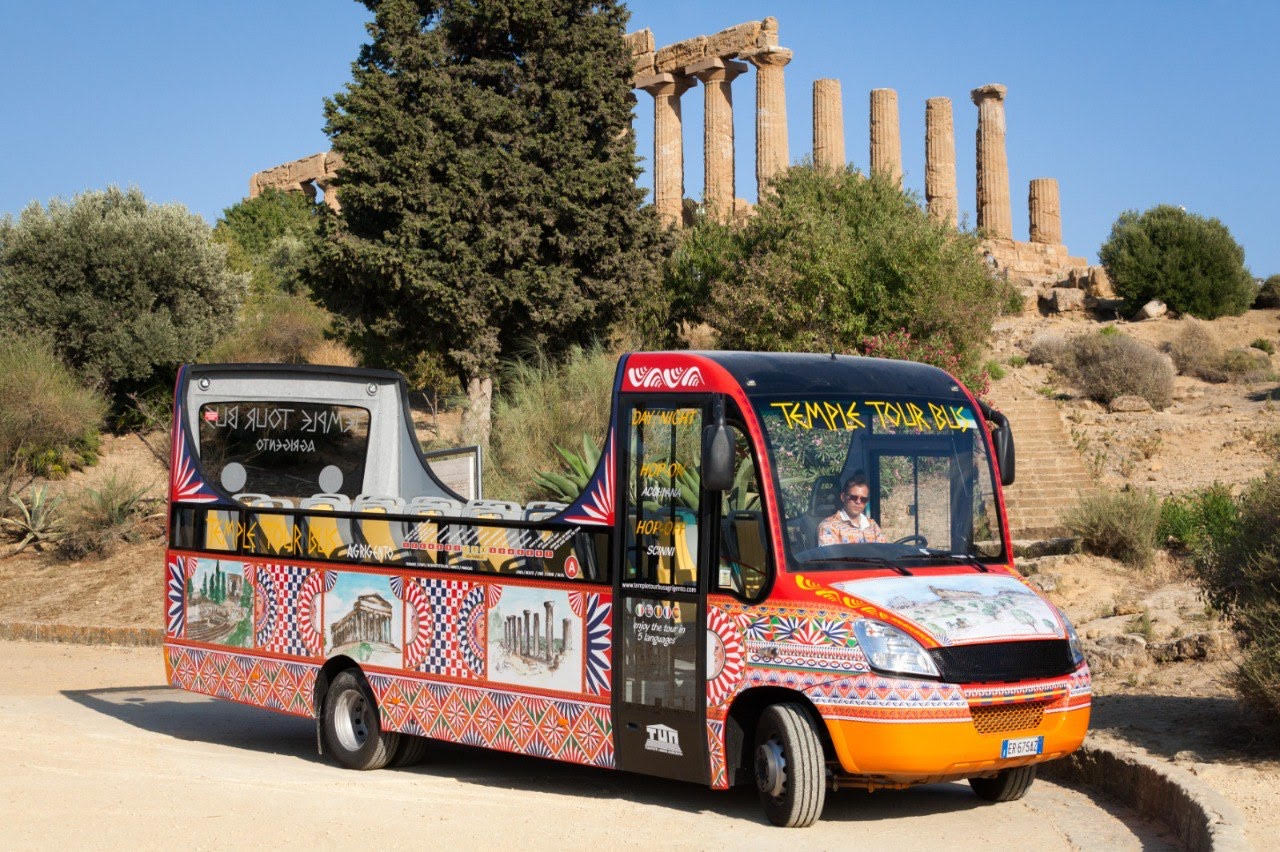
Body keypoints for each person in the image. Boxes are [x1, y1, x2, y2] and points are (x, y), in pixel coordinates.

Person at [817, 474, 886, 545]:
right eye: (854, 497)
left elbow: (884, 553)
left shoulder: (873, 526)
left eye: (863, 499)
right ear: (843, 497)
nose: (858, 502)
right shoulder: (829, 527)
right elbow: (832, 556)